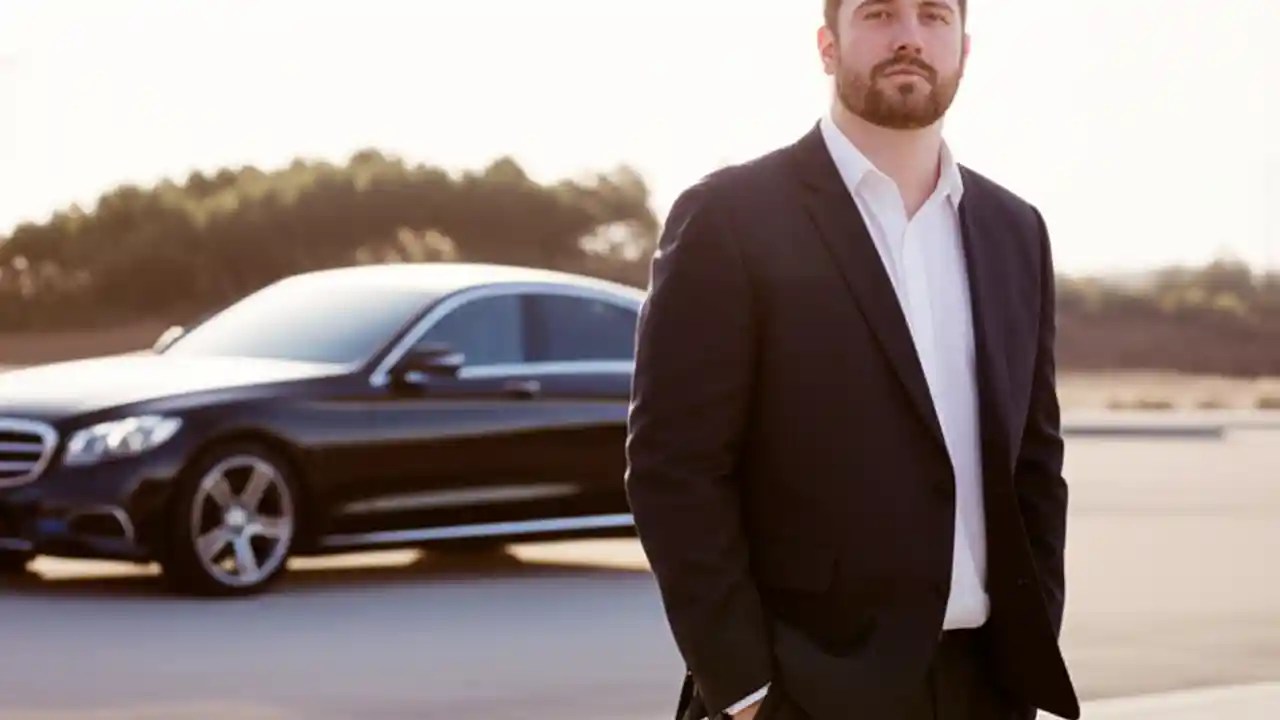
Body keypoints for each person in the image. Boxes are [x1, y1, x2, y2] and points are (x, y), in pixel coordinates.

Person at [624, 1, 1079, 718]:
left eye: (934, 16)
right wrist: (745, 690)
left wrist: (1032, 633)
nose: (909, 37)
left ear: (965, 47)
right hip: (804, 692)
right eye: (880, 14)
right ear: (827, 47)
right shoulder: (729, 217)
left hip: (983, 687)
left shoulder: (1014, 230)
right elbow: (672, 468)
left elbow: (1035, 466)